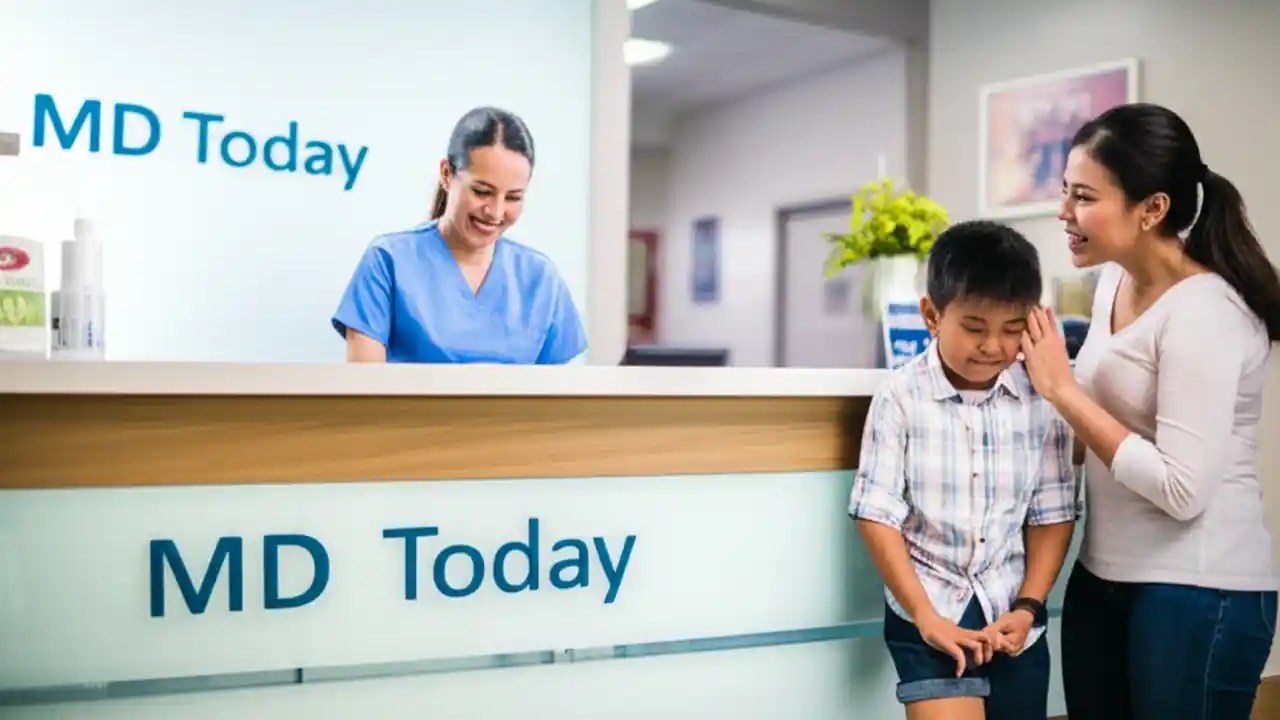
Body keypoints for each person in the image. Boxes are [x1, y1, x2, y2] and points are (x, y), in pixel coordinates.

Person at [1019, 102, 1280, 719]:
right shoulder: (1112, 283)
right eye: (1064, 193)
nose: (1063, 213)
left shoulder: (1206, 311)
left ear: (1152, 209)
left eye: (1083, 197)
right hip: (1104, 578)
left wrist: (1063, 392)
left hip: (1199, 588)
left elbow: (1183, 489)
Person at [849, 220, 1081, 720]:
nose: (994, 346)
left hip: (1012, 617)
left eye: (1012, 329)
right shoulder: (900, 396)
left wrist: (1028, 608)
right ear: (932, 315)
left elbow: (1053, 514)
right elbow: (876, 514)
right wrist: (925, 617)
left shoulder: (1042, 399)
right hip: (930, 611)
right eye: (974, 328)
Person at [332, 107, 587, 364]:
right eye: (482, 191)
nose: (495, 212)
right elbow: (364, 392)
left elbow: (558, 397)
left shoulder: (541, 279)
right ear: (446, 174)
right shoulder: (388, 261)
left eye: (513, 197)